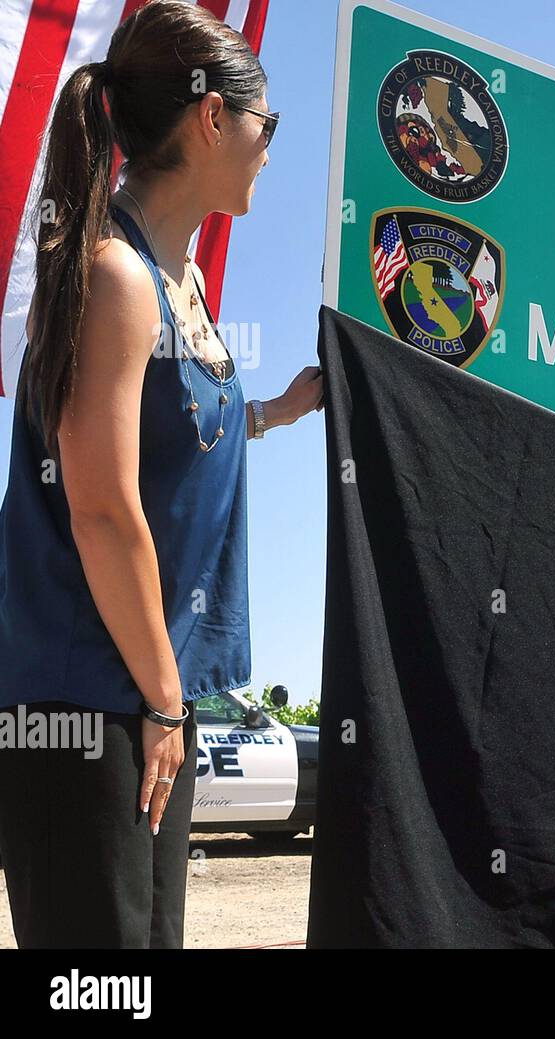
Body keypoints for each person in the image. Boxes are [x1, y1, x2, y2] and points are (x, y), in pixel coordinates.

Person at [0, 0, 322, 948]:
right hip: (85, 708)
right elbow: (102, 507)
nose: (271, 149)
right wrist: (166, 703)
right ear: (213, 117)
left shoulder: (176, 283)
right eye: (269, 125)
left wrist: (274, 412)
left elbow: (171, 438)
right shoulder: (117, 275)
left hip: (141, 700)